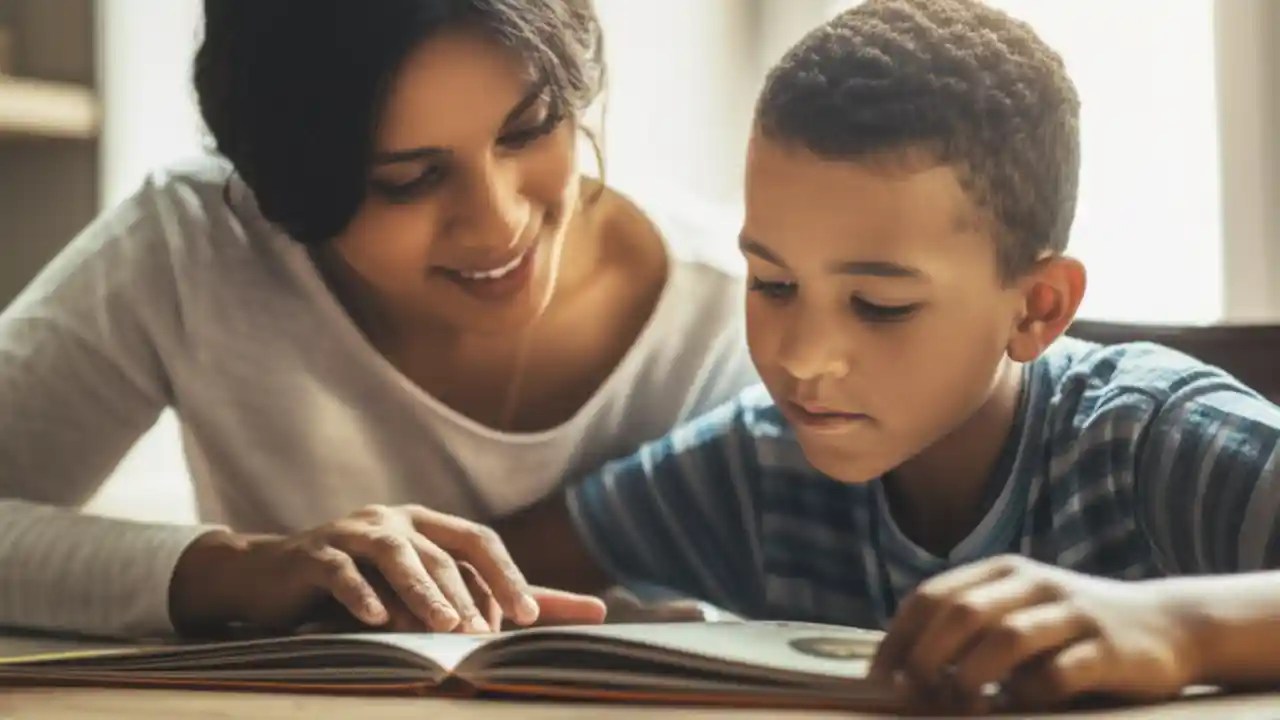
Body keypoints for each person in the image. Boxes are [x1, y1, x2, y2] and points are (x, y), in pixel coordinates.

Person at [496, 0, 1280, 712]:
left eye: (880, 306)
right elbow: (510, 566)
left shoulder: (1148, 440)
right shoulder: (763, 466)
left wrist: (1181, 627)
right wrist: (399, 556)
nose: (804, 360)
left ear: (1036, 307)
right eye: (772, 284)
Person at [0, 0, 756, 639]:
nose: (497, 226)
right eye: (408, 179)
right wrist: (235, 569)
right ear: (283, 184)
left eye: (528, 129)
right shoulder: (193, 245)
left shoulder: (742, 305)